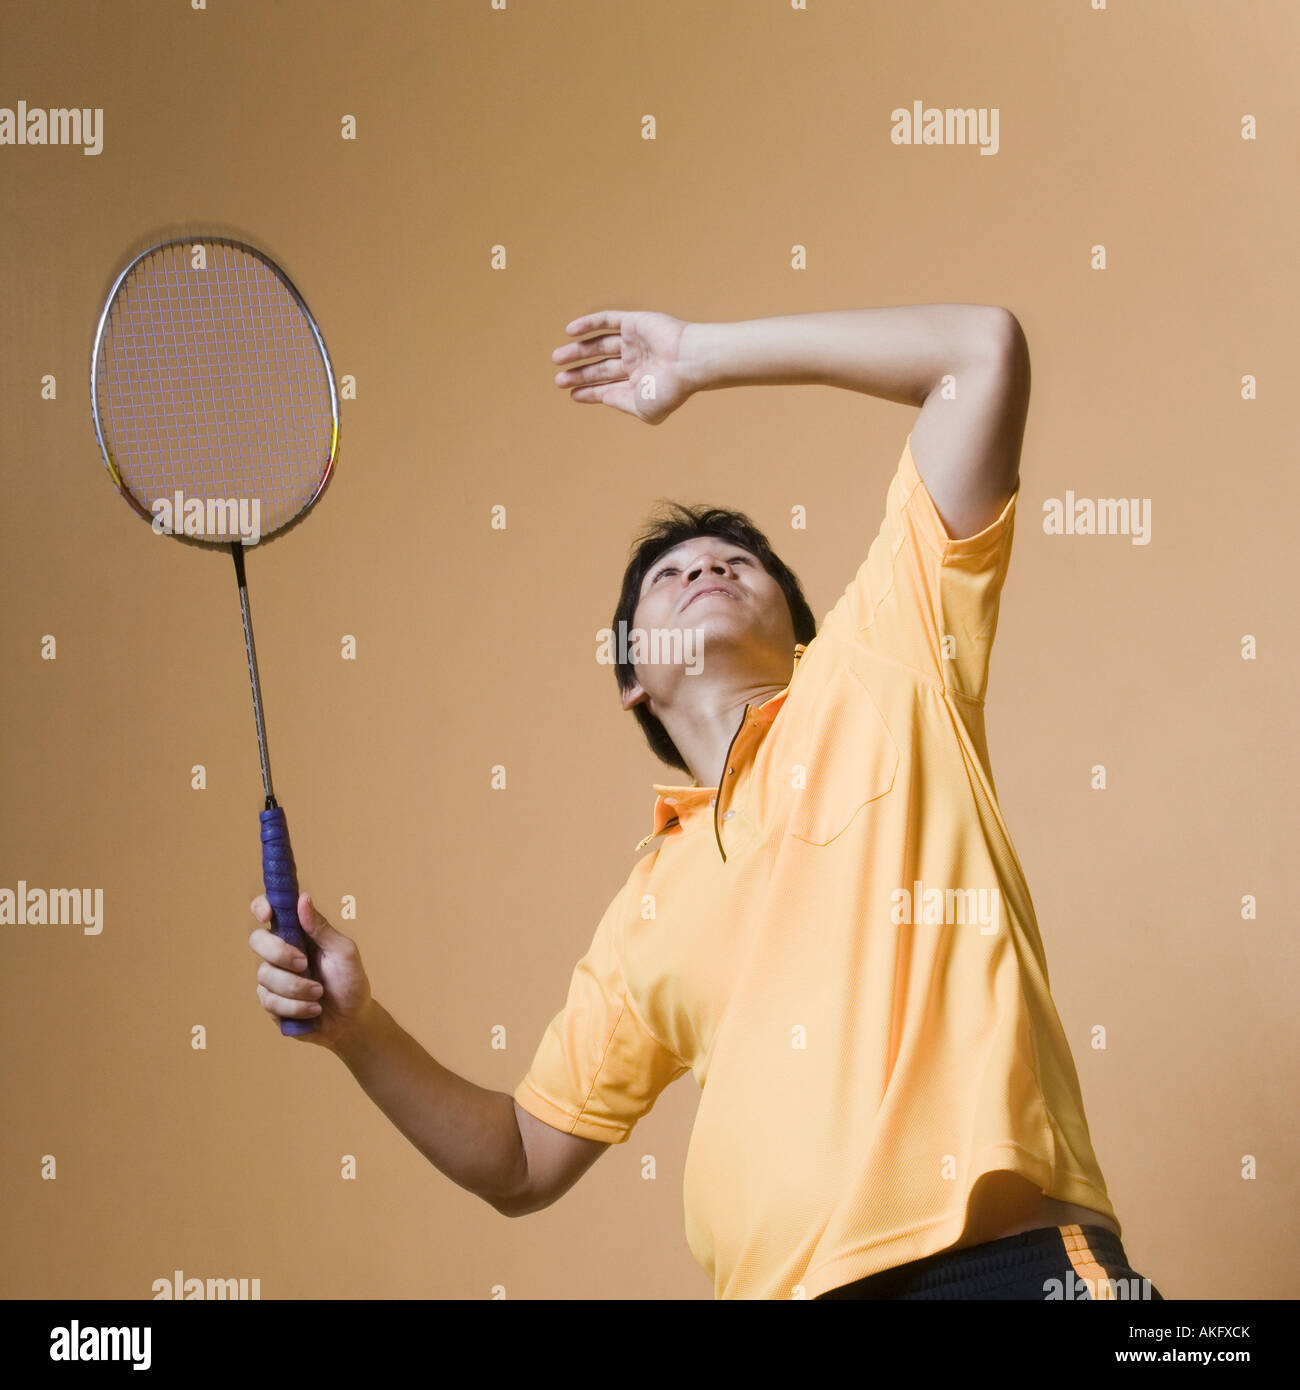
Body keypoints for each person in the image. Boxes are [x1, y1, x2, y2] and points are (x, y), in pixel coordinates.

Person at [250, 304, 1164, 1301]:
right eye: (669, 574)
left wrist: (697, 357)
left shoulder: (883, 661)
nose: (708, 568)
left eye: (740, 562)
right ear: (630, 679)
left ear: (799, 631)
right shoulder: (646, 909)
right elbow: (519, 1158)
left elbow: (980, 353)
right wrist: (359, 1029)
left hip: (1000, 1270)